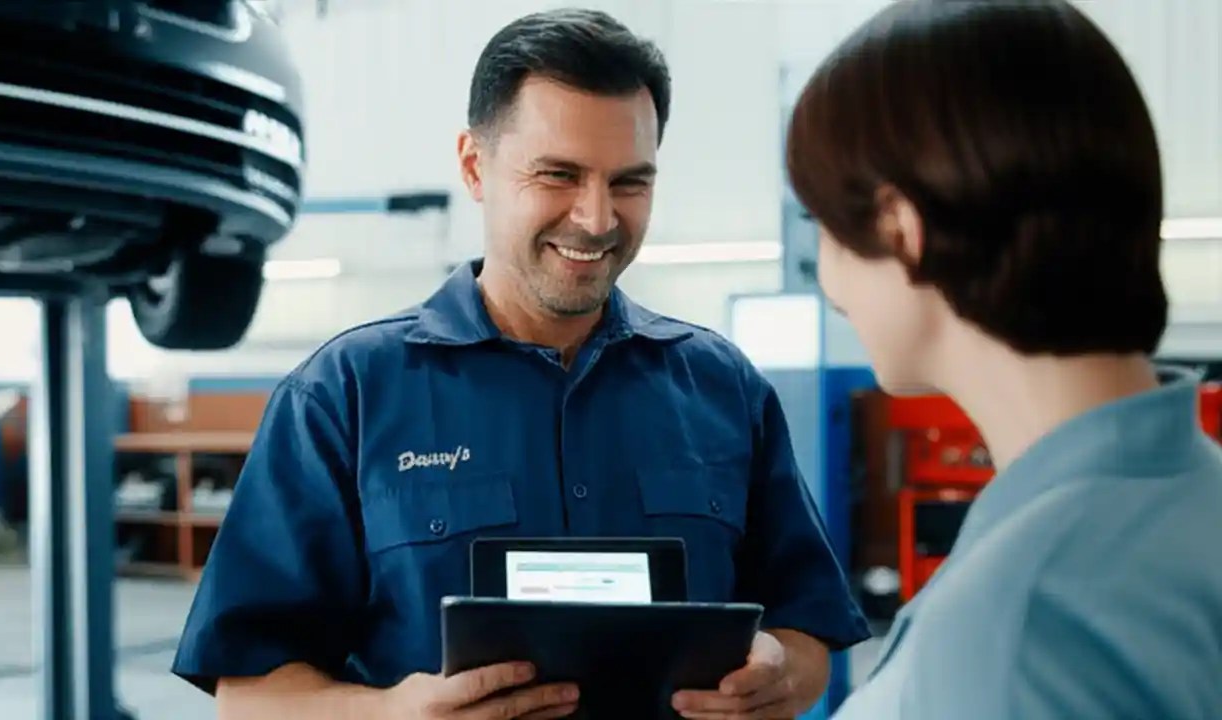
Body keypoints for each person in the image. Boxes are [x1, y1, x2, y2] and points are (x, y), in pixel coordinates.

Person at [172, 8, 869, 719]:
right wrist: (388, 715)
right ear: (476, 166)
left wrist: (781, 676)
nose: (596, 218)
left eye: (630, 182)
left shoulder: (724, 389)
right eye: (558, 175)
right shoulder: (343, 396)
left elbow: (808, 630)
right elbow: (248, 696)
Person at [783, 1, 1222, 718]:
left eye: (824, 226)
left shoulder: (1020, 619)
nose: (829, 282)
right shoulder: (1188, 503)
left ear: (901, 228)